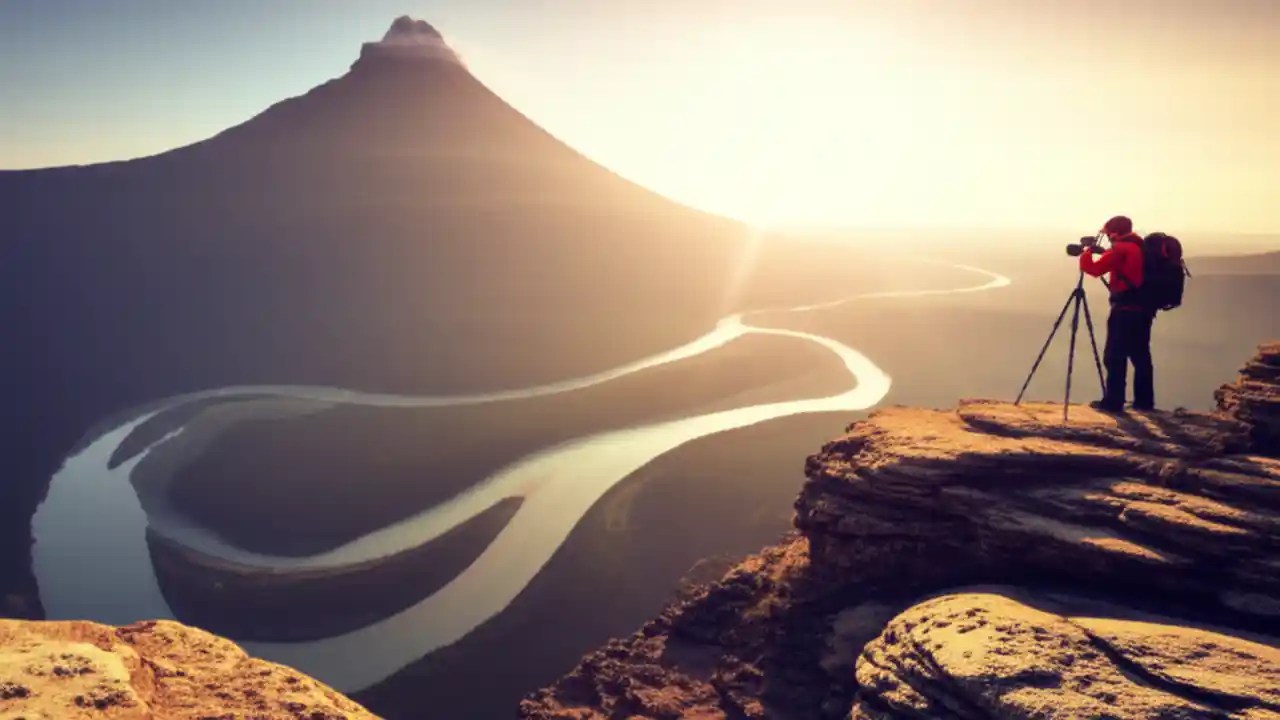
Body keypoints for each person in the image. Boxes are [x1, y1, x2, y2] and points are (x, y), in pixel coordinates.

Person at [1079, 215, 1154, 413]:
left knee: (1114, 356)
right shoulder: (1139, 247)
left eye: (1108, 234)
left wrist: (1086, 253)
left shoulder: (1120, 249)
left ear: (1115, 232)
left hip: (1124, 311)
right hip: (1144, 310)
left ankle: (1113, 402)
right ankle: (1144, 402)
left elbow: (1093, 269)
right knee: (1140, 356)